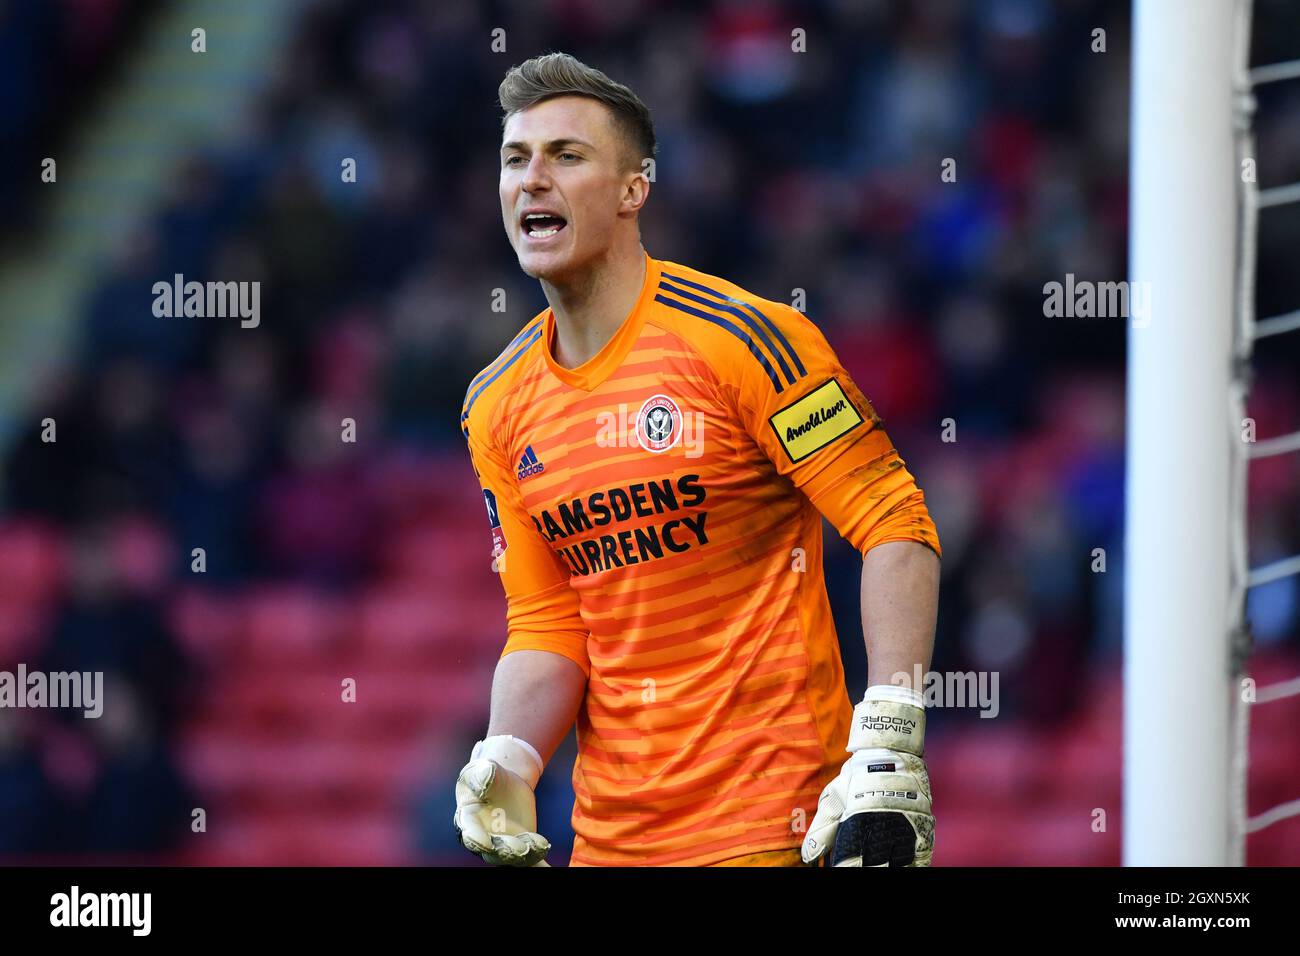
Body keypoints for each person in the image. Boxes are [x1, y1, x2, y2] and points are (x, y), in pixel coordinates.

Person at [454, 53, 940, 867]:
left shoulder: (745, 341)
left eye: (566, 156)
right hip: (608, 844)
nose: (532, 178)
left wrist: (888, 743)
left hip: (772, 826)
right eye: (515, 159)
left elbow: (894, 522)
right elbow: (548, 621)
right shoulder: (495, 403)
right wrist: (509, 758)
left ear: (632, 190)